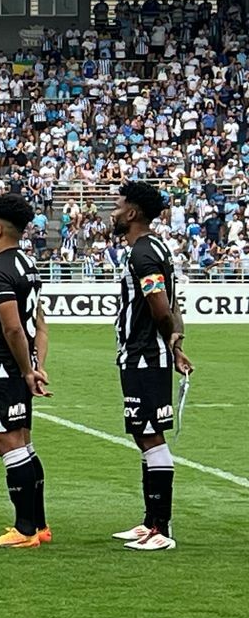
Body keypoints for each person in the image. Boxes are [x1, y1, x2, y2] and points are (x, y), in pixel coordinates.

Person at [108, 180, 192, 551]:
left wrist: (170, 343)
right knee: (143, 434)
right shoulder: (154, 248)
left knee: (150, 434)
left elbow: (159, 301)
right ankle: (150, 522)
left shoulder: (143, 252)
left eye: (119, 205)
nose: (113, 211)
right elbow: (173, 303)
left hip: (145, 354)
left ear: (132, 213)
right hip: (145, 353)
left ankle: (161, 528)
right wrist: (176, 341)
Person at [0, 193, 52, 550]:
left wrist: (24, 370)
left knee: (8, 442)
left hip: (2, 369)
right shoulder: (28, 266)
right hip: (21, 369)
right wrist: (37, 368)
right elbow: (41, 324)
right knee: (24, 443)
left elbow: (13, 328)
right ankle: (39, 524)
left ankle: (24, 530)